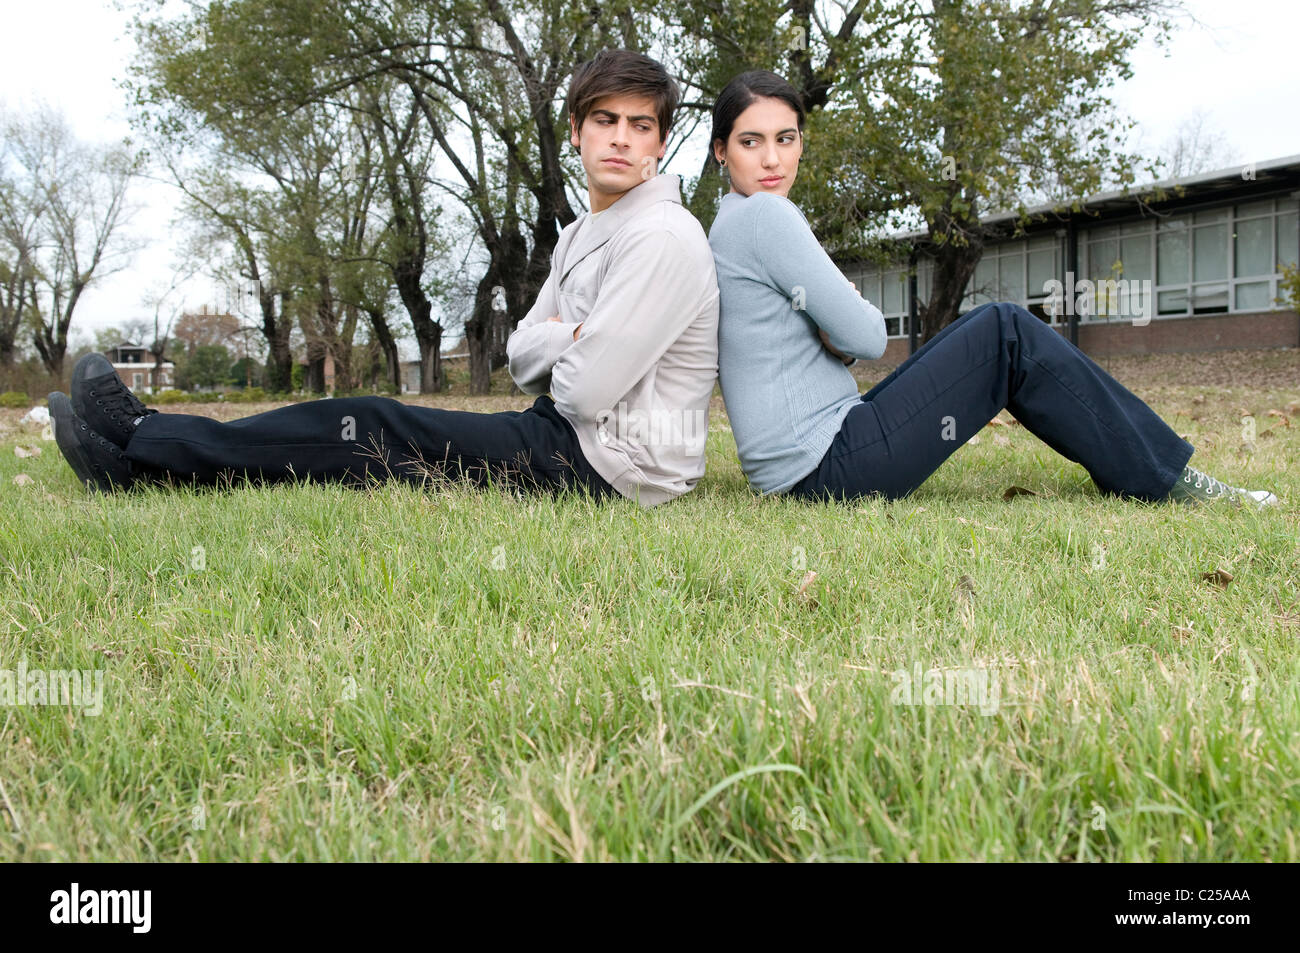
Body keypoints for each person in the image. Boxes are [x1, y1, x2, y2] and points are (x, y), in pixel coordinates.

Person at [48, 49, 719, 509]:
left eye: (641, 125)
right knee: (370, 437)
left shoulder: (662, 236)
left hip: (617, 468)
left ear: (661, 142)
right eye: (605, 120)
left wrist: (563, 342)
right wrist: (576, 334)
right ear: (575, 130)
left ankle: (143, 446)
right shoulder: (580, 234)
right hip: (567, 436)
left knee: (373, 426)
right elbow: (520, 356)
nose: (622, 139)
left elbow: (582, 390)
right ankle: (143, 447)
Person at [705, 70, 1279, 508]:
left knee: (998, 335)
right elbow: (871, 336)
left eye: (786, 137)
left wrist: (839, 324)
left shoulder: (730, 223)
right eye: (751, 142)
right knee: (1006, 332)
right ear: (720, 151)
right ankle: (1166, 476)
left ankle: (1150, 467)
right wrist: (846, 311)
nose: (773, 158)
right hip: (827, 468)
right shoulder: (765, 218)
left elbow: (846, 342)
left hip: (810, 459)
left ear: (803, 141)